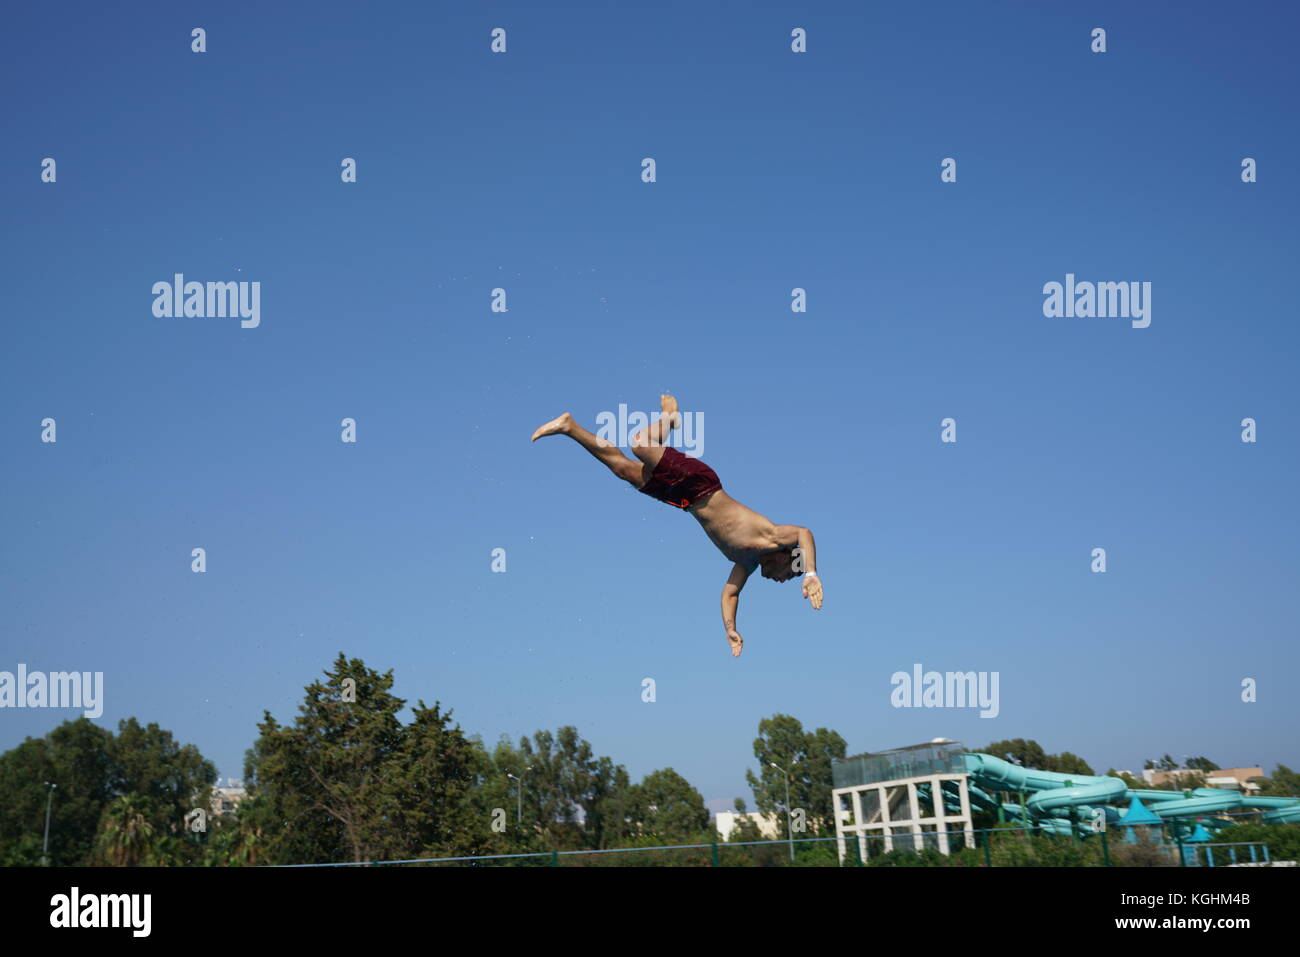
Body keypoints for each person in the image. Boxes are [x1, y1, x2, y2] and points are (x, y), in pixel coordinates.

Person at [531, 395, 823, 656]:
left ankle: (570, 427)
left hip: (684, 500)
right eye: (788, 573)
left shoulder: (746, 562)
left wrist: (730, 628)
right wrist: (809, 573)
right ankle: (670, 418)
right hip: (701, 483)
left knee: (622, 469)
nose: (782, 580)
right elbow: (803, 533)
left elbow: (730, 594)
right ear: (787, 556)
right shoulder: (772, 537)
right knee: (639, 444)